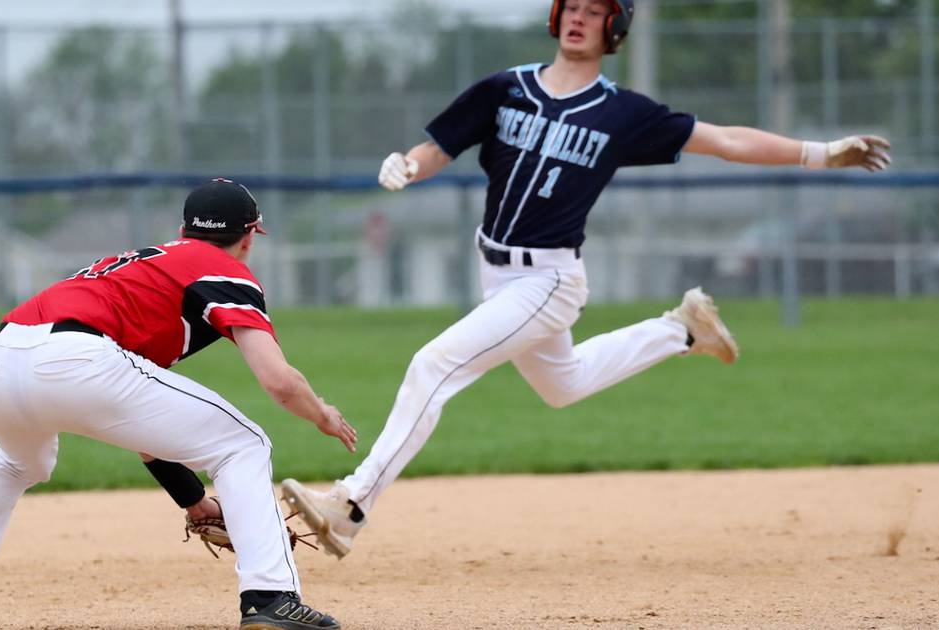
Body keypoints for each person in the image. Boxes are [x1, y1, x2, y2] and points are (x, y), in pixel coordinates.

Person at [280, 0, 891, 559]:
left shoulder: (622, 113)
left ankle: (351, 506)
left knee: (434, 365)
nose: (579, 16)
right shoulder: (505, 90)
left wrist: (821, 152)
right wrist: (408, 166)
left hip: (546, 280)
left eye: (595, 10)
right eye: (571, 5)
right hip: (496, 271)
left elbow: (727, 140)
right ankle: (680, 330)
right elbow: (440, 147)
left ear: (613, 28)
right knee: (562, 385)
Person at [0, 178, 356, 630]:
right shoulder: (225, 269)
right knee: (244, 444)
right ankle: (271, 597)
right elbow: (279, 381)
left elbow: (143, 426)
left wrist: (195, 502)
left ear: (184, 231)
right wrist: (323, 415)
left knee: (20, 461)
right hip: (76, 356)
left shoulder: (141, 264)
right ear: (250, 236)